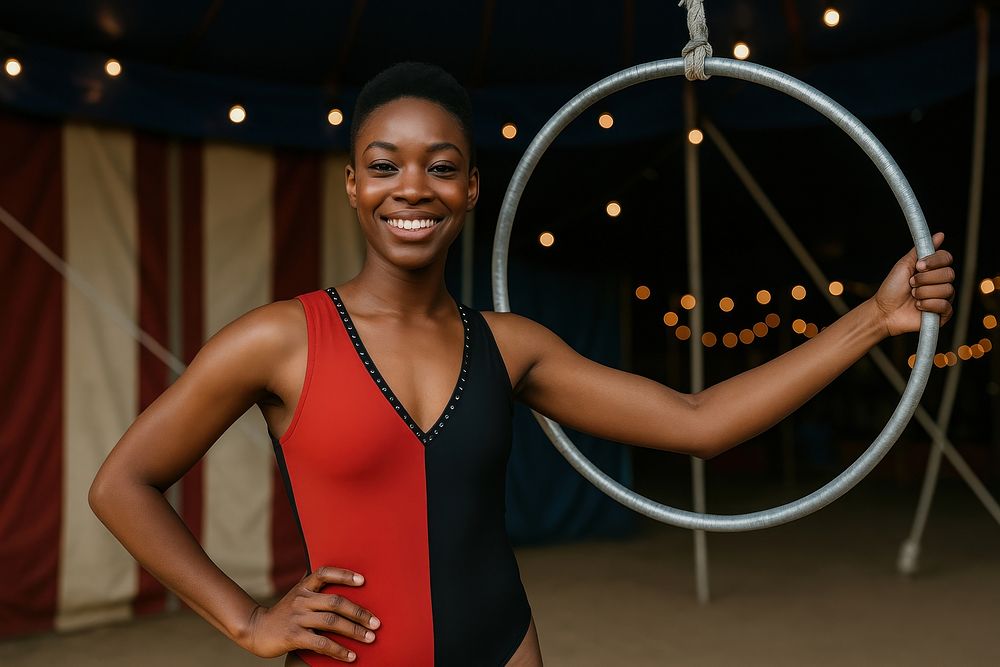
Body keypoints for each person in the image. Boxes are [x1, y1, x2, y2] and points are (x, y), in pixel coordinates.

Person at [89, 62, 956, 666]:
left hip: (505, 649)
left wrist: (876, 319)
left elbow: (698, 424)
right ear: (353, 184)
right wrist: (245, 619)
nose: (412, 189)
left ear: (472, 187)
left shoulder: (511, 345)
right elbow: (121, 483)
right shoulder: (279, 339)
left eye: (441, 167)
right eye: (384, 166)